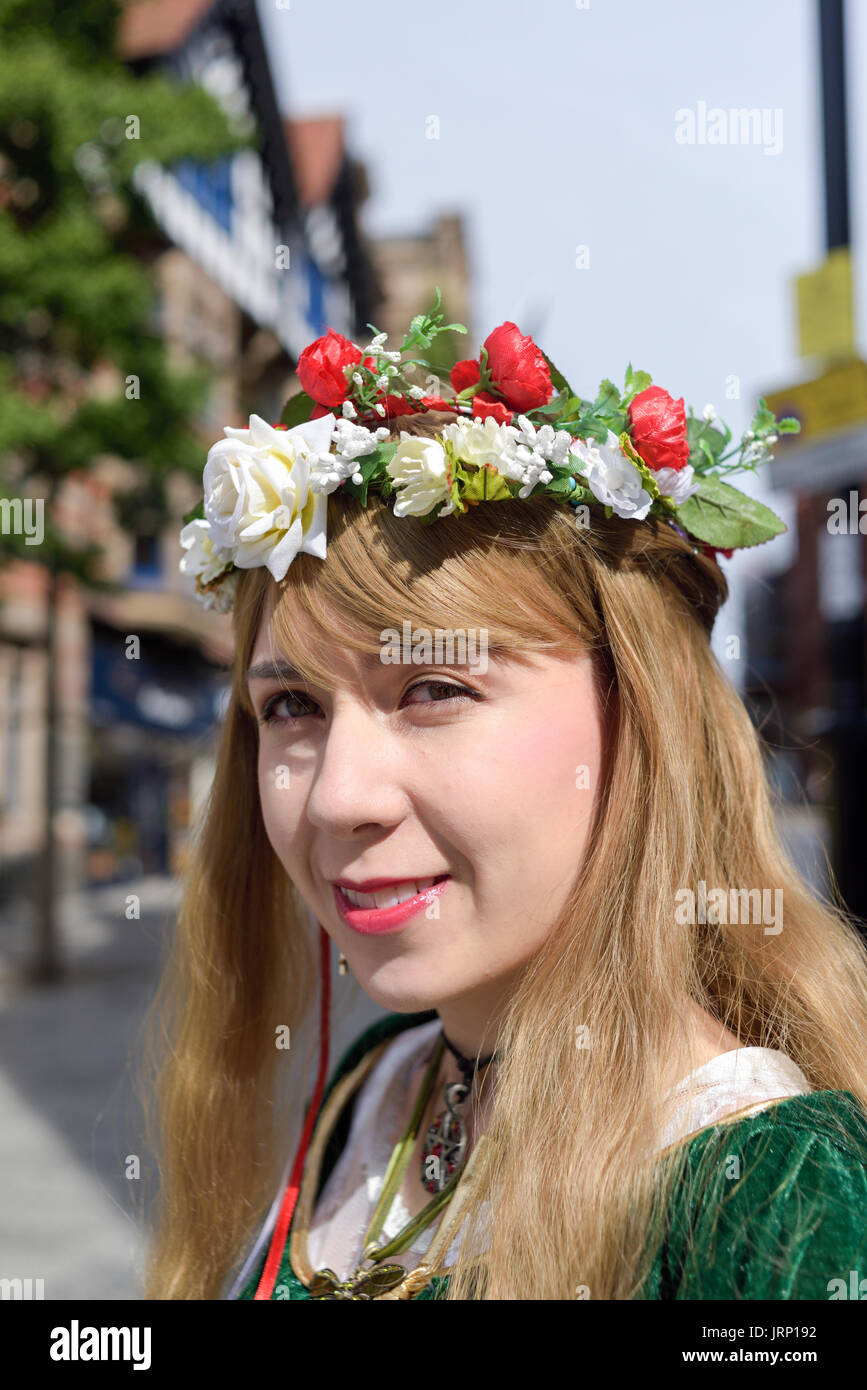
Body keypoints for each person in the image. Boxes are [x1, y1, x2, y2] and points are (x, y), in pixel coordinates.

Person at [139, 291, 867, 1300]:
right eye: (294, 705)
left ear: (640, 716)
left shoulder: (771, 1200)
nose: (339, 797)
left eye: (435, 689)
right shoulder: (381, 1079)